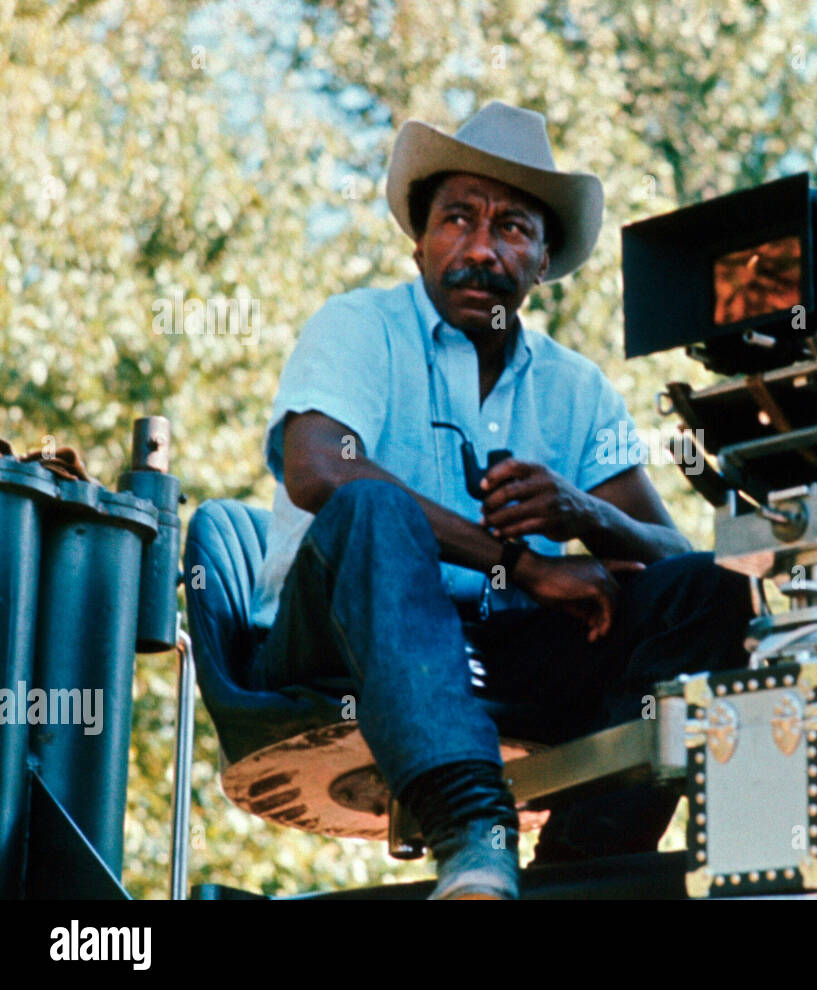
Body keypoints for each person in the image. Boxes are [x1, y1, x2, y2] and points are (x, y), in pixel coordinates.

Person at [247, 100, 753, 899]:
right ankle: (474, 835)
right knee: (373, 510)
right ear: (418, 243)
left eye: (513, 228)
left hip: (502, 649)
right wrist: (521, 564)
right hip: (337, 638)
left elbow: (673, 555)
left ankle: (583, 863)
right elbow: (320, 470)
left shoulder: (575, 387)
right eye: (457, 219)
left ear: (544, 261)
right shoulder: (358, 326)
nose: (479, 248)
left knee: (717, 587)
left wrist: (587, 517)